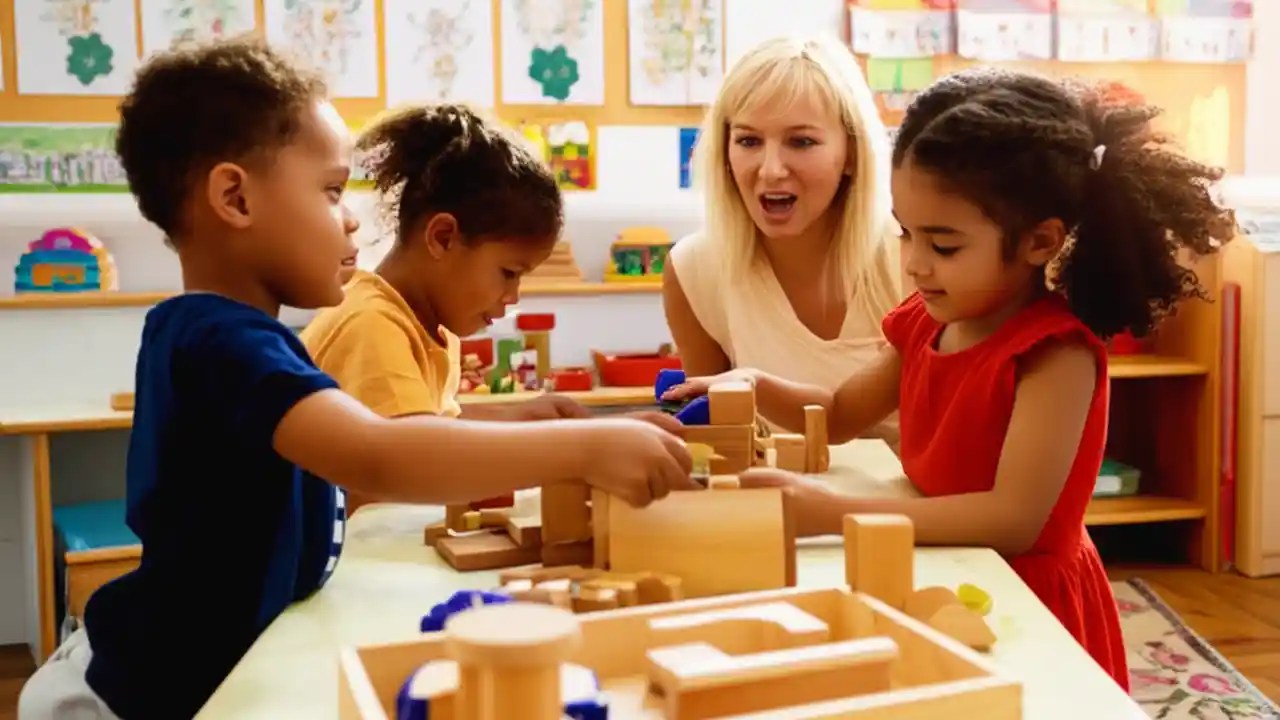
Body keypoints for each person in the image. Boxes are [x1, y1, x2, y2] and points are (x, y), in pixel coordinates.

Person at [19, 38, 694, 720]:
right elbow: (380, 450)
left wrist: (555, 425)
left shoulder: (240, 340)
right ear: (235, 197)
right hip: (129, 700)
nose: (349, 219)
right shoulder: (221, 343)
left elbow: (405, 435)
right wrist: (584, 449)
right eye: (332, 191)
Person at [663, 67, 1237, 690]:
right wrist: (752, 381)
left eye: (943, 245)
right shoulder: (926, 320)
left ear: (1039, 242)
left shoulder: (1055, 354)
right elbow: (839, 411)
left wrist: (825, 511)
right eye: (907, 233)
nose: (912, 263)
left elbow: (1011, 519)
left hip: (1030, 596)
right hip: (954, 569)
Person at [301, 103, 682, 516]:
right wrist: (584, 445)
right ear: (443, 237)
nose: (513, 296)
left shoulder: (431, 328)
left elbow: (433, 430)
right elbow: (418, 462)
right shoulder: (373, 324)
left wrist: (521, 420)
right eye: (508, 273)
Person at [663, 35, 903, 446]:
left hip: (921, 509)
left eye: (801, 141)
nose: (771, 170)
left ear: (851, 153)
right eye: (748, 140)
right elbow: (719, 443)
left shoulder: (912, 254)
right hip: (780, 507)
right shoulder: (695, 270)